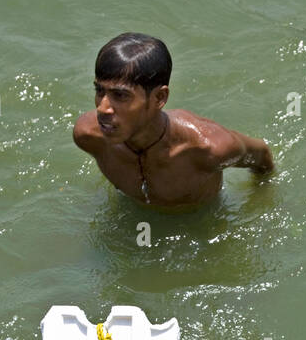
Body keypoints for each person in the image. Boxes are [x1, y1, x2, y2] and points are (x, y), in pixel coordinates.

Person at [73, 33, 274, 209]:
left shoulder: (210, 148)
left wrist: (260, 203)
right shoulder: (89, 136)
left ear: (159, 98)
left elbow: (262, 155)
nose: (102, 108)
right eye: (99, 91)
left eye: (120, 95)